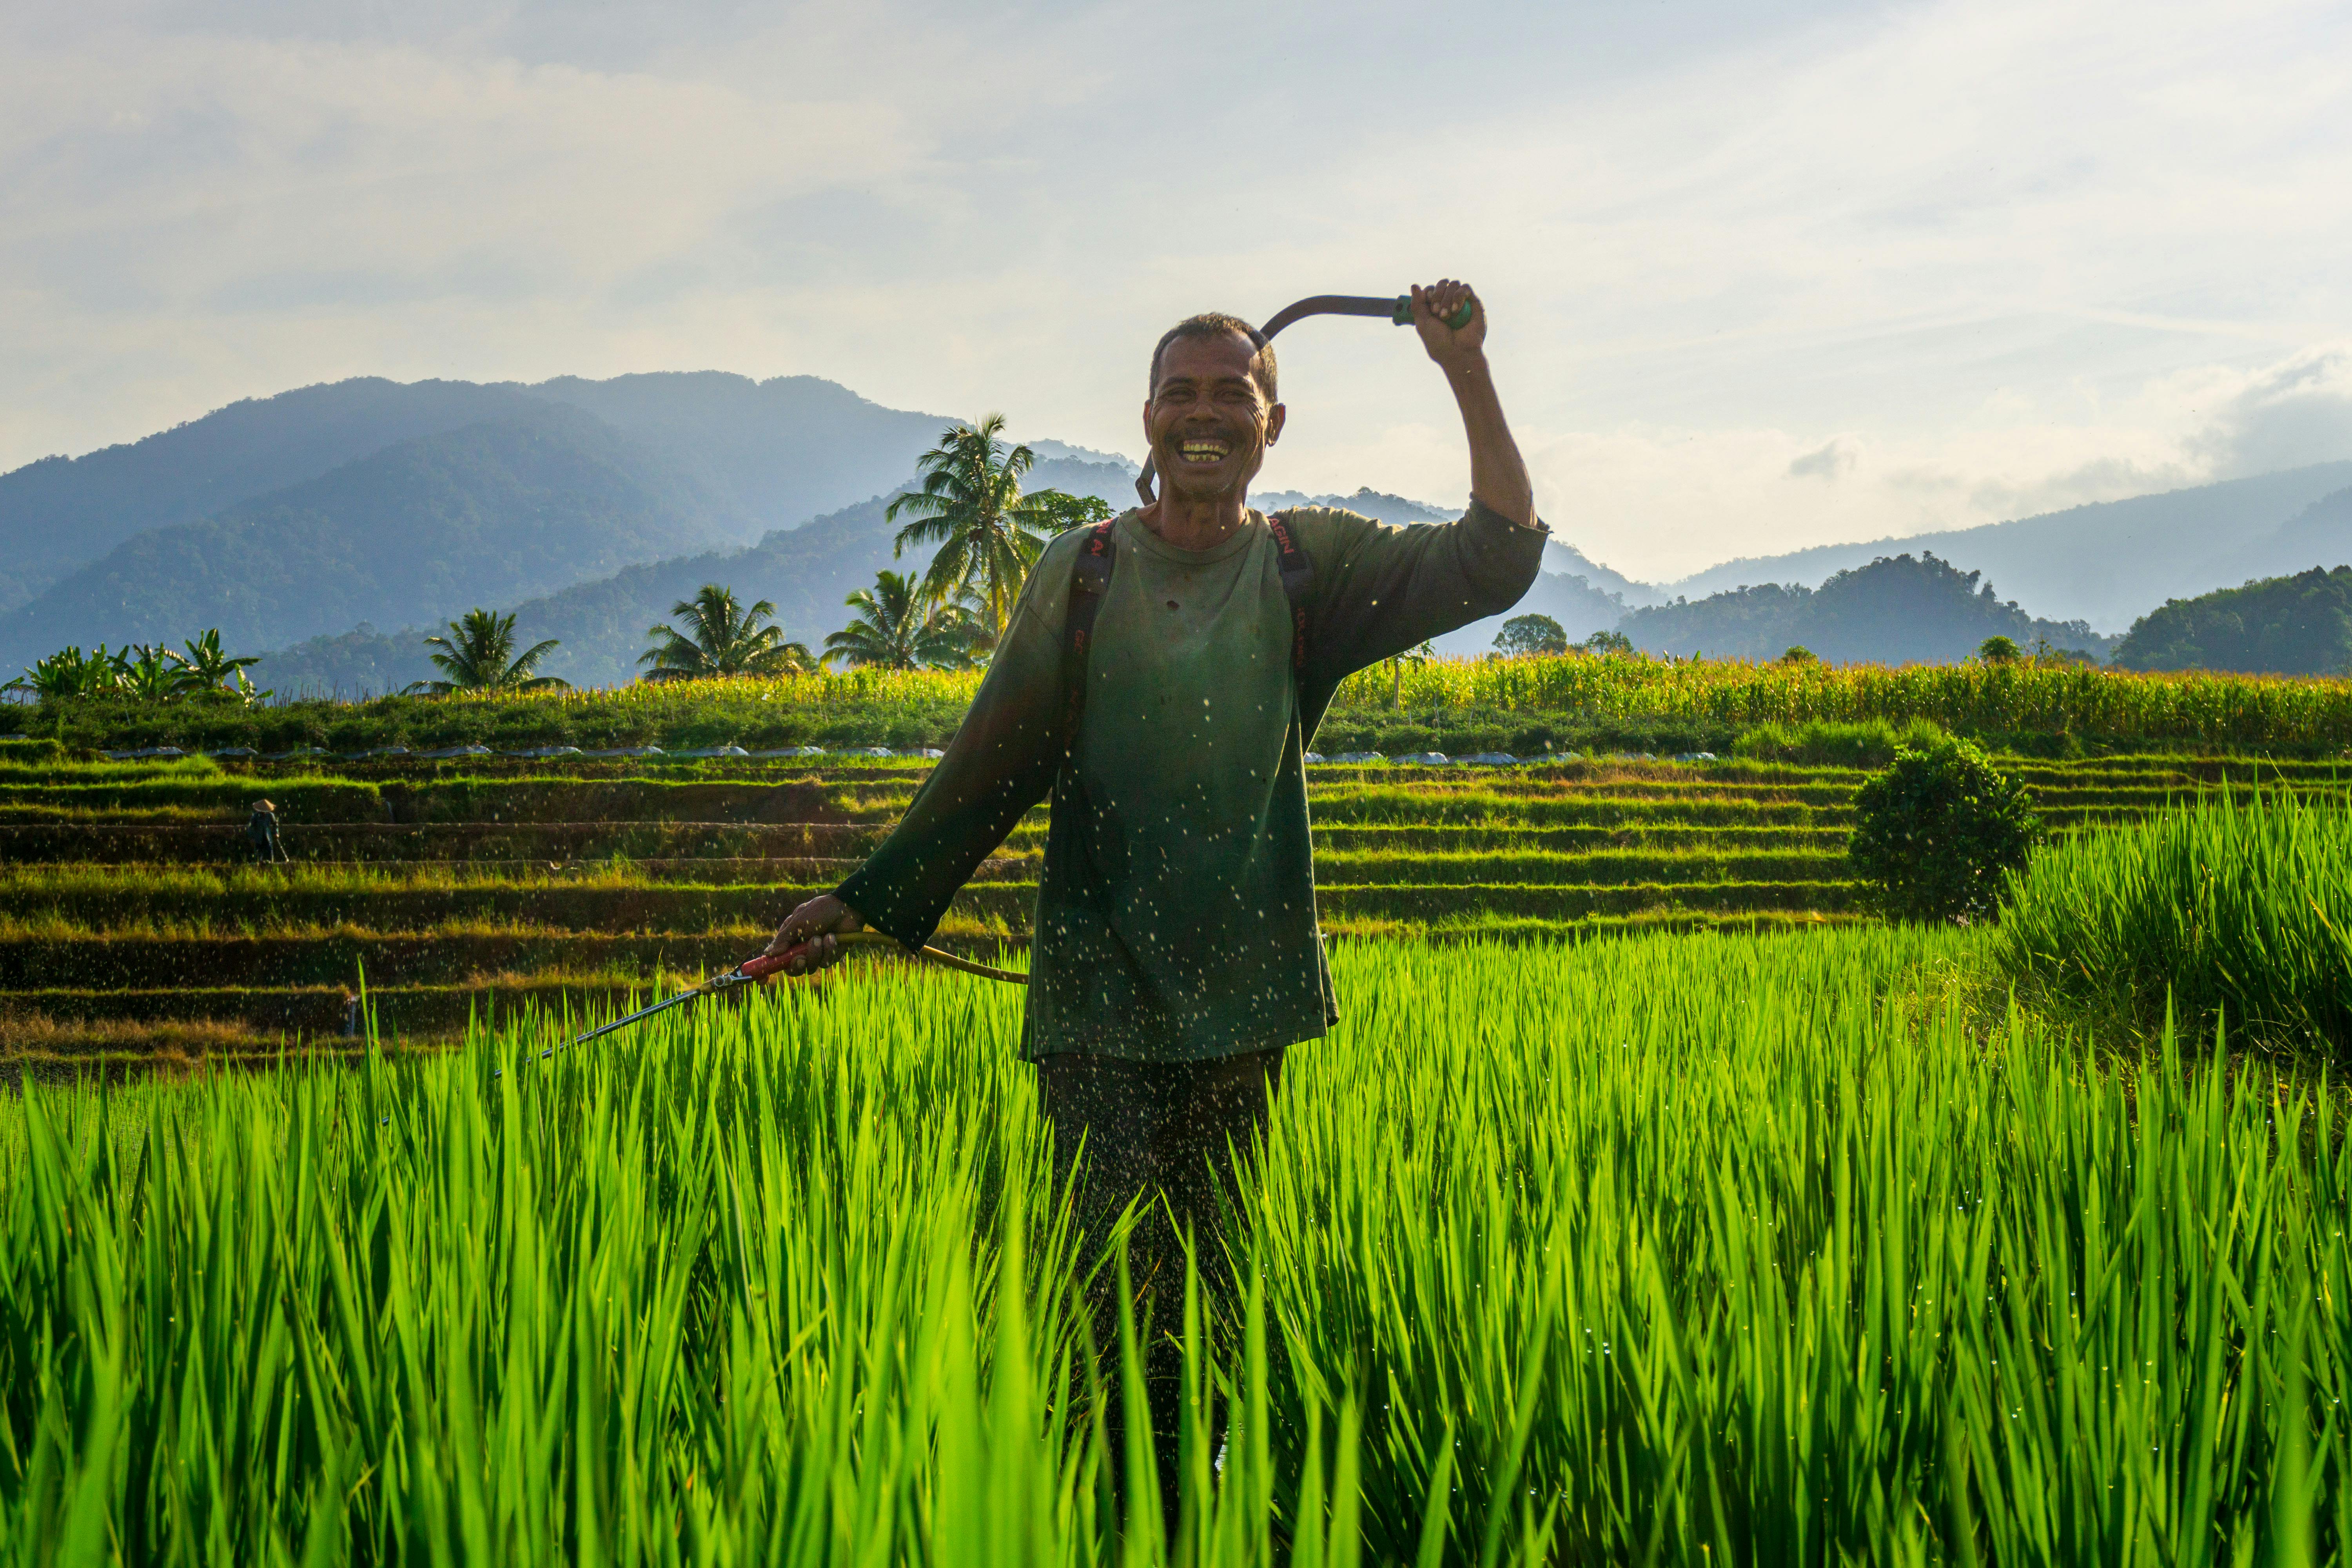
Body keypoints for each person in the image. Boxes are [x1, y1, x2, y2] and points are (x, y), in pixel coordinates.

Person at [768, 279, 1545, 1513]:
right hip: (1096, 1006)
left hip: (1243, 1011)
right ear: (1143, 418)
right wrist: (864, 901)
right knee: (1097, 1309)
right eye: (1178, 394)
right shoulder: (1079, 575)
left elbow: (1498, 556)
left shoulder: (1308, 567)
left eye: (1230, 394)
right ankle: (1102, 1521)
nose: (1203, 415)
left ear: (1269, 427)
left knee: (1213, 1304)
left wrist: (1462, 369)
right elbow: (990, 764)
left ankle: (1193, 1523)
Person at [245, 798, 286, 864]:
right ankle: (259, 866)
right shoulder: (256, 816)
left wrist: (276, 833)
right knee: (258, 855)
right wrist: (251, 837)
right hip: (259, 838)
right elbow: (251, 827)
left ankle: (271, 865)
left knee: (269, 852)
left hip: (268, 837)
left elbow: (275, 824)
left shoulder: (270, 815)